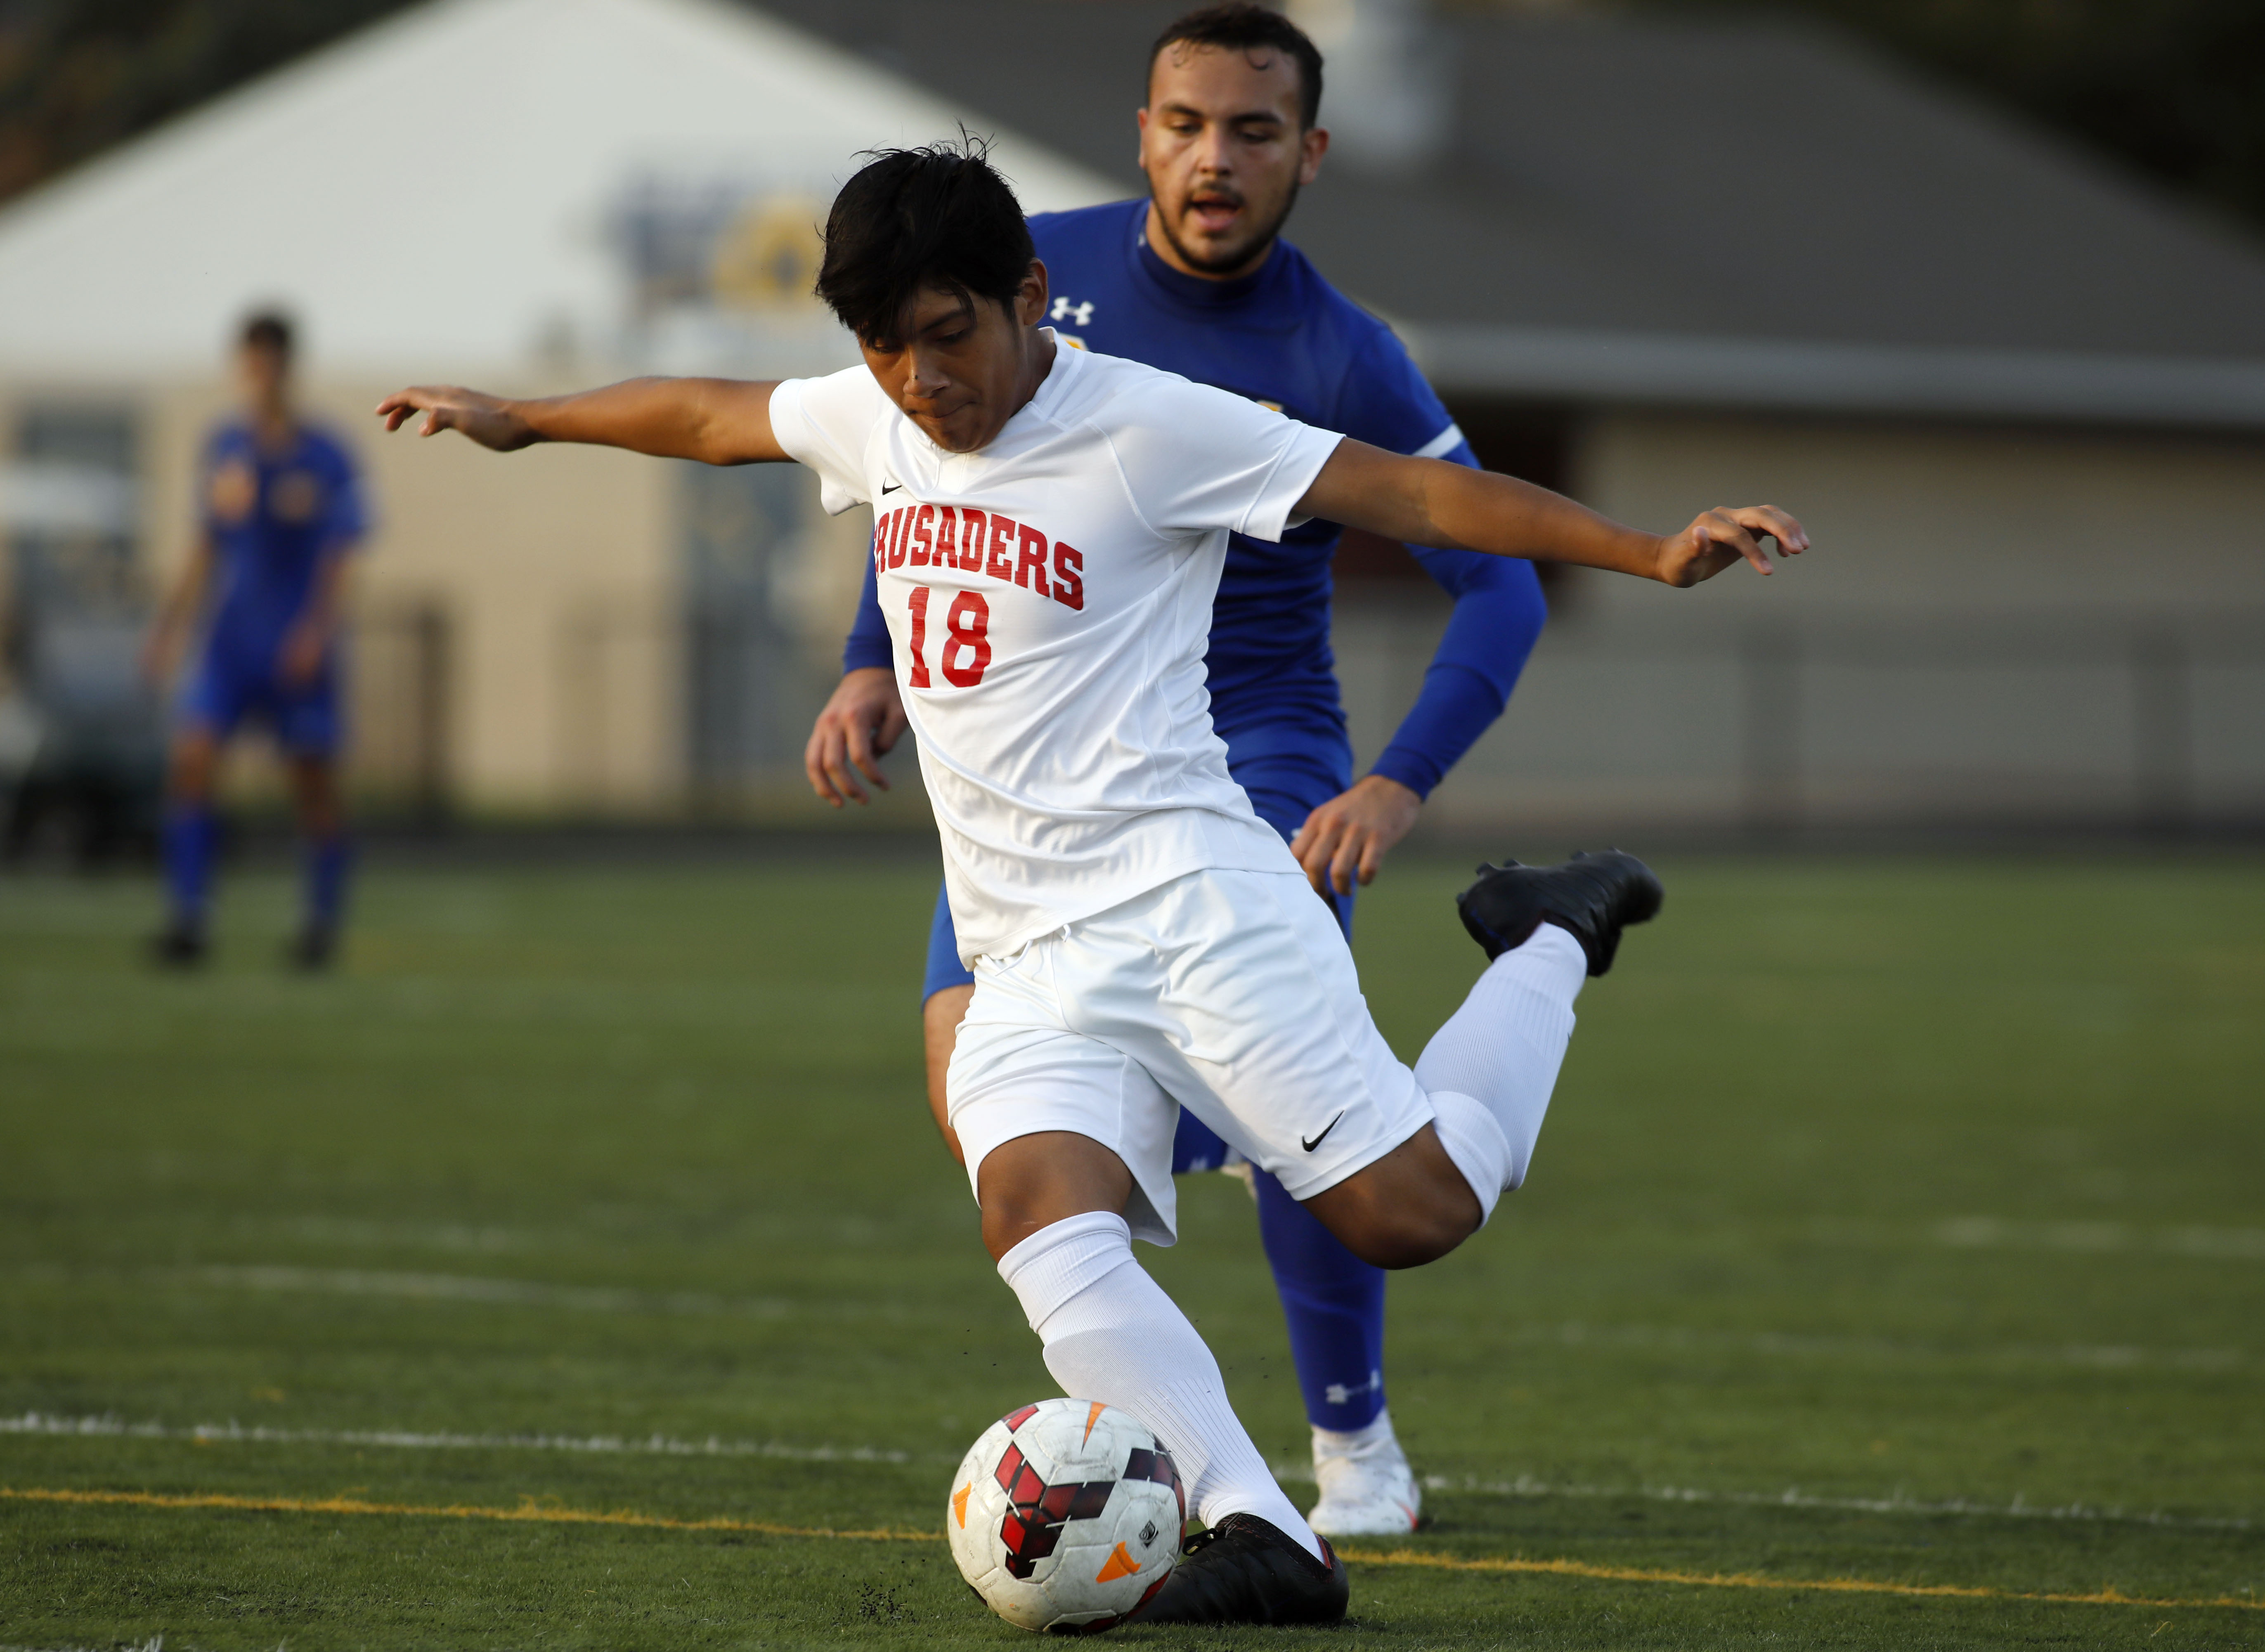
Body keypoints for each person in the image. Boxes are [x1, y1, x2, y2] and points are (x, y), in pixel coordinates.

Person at [374, 141, 1804, 1626]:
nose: (922, 379)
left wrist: (1644, 550)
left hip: (1193, 911)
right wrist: (522, 420)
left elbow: (1411, 501)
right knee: (1040, 1224)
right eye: (885, 348)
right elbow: (711, 411)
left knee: (1410, 1213)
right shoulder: (877, 413)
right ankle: (1262, 1528)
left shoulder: (1149, 424)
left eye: (948, 336)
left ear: (1029, 300)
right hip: (1027, 956)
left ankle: (1546, 935)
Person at [801, 2, 1545, 1537]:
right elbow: (915, 460)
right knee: (978, 1100)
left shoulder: (1341, 353)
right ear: (1140, 132)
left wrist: (1394, 780)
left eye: (1252, 131)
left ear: (1307, 155)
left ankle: (1351, 1451)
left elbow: (1501, 575)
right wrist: (874, 654)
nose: (1214, 159)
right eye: (1186, 124)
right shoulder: (1017, 266)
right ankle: (1210, 1487)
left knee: (1298, 1135)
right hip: (1037, 763)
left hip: (1249, 754)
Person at [143, 311, 367, 969]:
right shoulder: (225, 449)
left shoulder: (326, 454)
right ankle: (190, 919)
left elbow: (341, 554)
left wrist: (316, 630)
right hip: (230, 644)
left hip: (296, 646)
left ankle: (320, 926)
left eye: (269, 363)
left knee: (313, 784)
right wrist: (167, 629)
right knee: (192, 763)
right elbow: (205, 543)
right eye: (250, 364)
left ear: (287, 367)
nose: (259, 377)